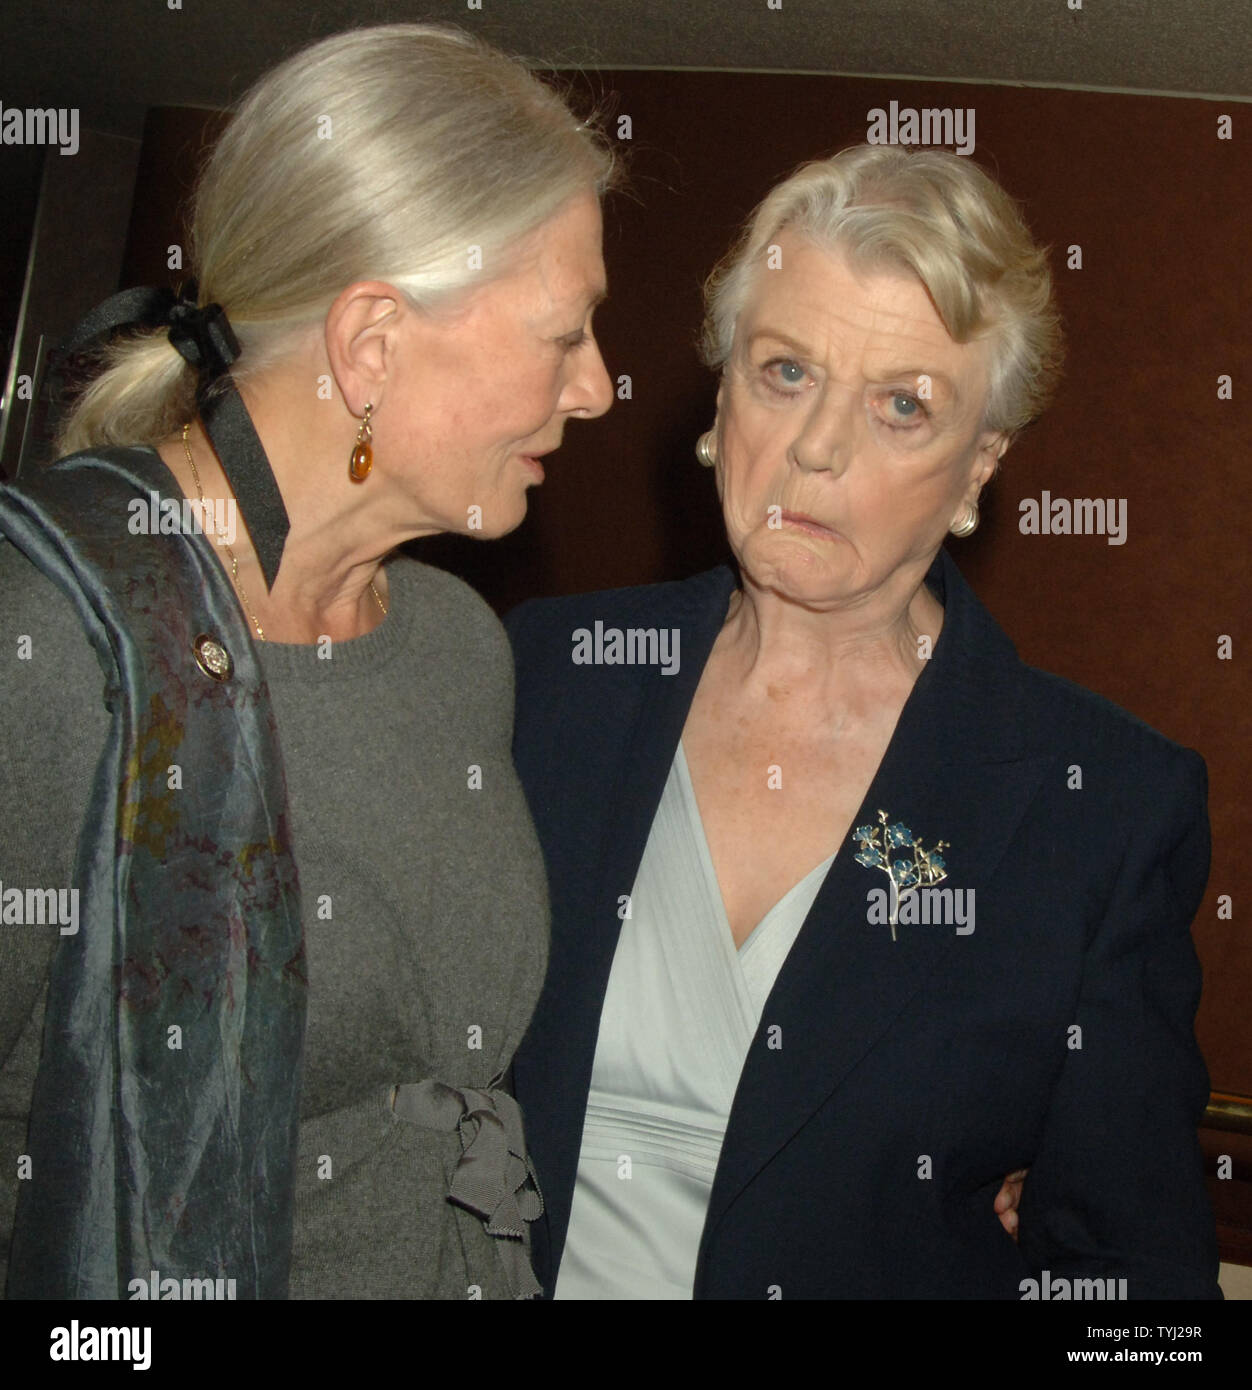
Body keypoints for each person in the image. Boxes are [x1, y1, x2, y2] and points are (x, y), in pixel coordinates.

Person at [505, 143, 1221, 1299]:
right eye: (785, 372)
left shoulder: (1099, 808)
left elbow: (1129, 1281)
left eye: (902, 406)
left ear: (979, 465)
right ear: (718, 394)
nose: (818, 446)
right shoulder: (543, 675)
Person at [0, 22, 614, 1299]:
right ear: (372, 343)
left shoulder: (453, 642)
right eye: (563, 337)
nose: (601, 388)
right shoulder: (55, 648)